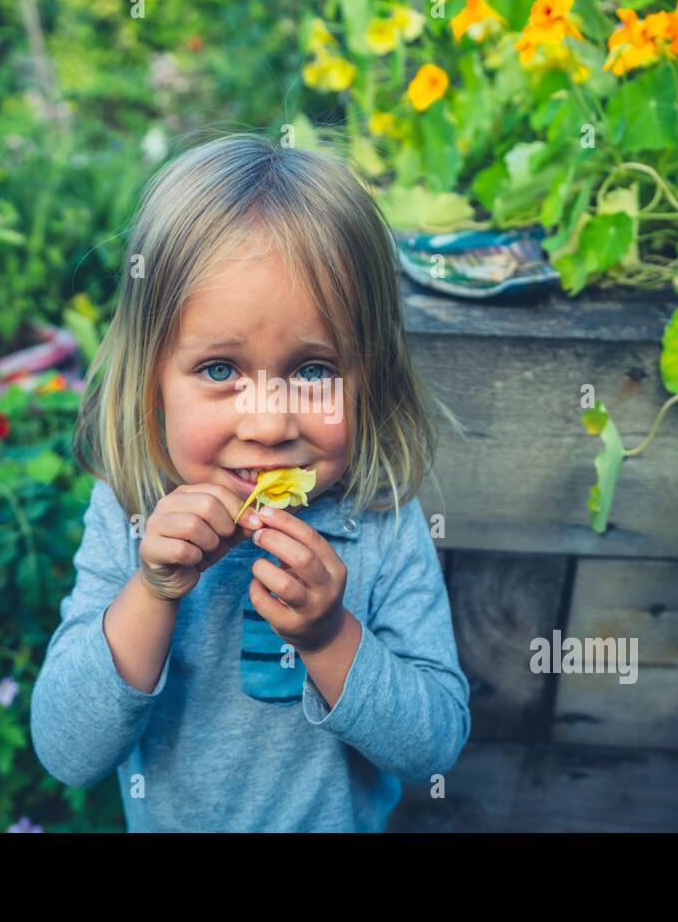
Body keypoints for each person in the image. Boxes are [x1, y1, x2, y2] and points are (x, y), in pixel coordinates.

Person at [30, 132, 471, 831]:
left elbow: (434, 746)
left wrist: (329, 636)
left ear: (370, 379)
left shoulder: (379, 520)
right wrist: (152, 591)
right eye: (219, 370)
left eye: (313, 370)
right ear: (153, 381)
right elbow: (66, 750)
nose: (268, 425)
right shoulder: (132, 514)